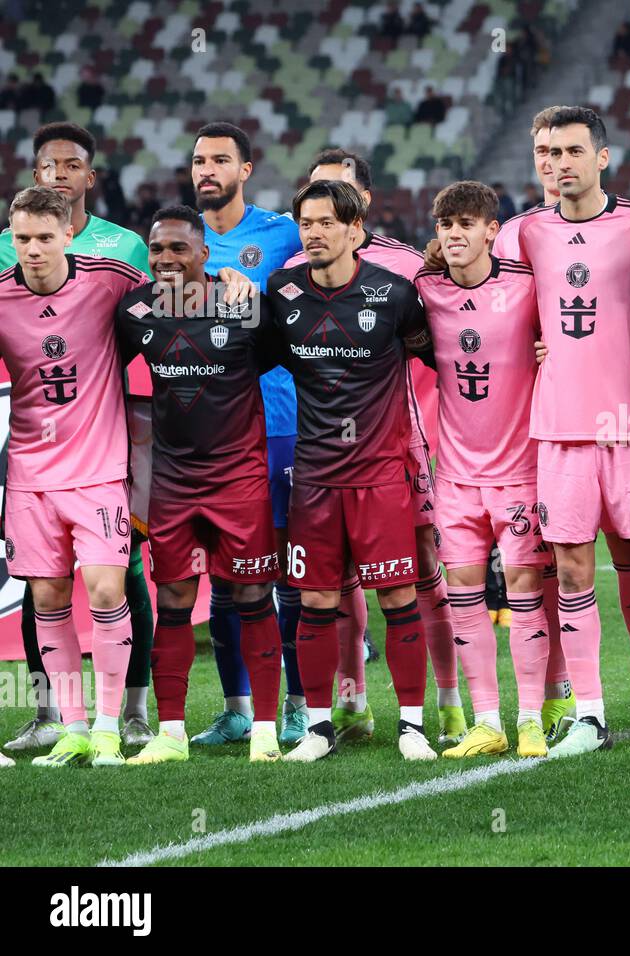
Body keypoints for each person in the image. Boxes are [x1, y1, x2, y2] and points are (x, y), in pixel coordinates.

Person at [502, 107, 630, 758]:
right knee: (574, 568)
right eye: (547, 152)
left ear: (603, 158)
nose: (558, 163)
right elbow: (497, 311)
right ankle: (589, 715)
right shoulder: (520, 234)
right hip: (558, 431)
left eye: (572, 151)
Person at [286, 148, 457, 744]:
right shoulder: (282, 297)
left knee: (398, 594)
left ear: (356, 229)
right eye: (306, 223)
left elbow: (445, 356)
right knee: (316, 599)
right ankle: (317, 726)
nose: (314, 233)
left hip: (382, 471)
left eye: (327, 223)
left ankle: (413, 724)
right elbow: (240, 363)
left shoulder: (393, 292)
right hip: (313, 479)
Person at [1, 123, 156, 755]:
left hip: (99, 470)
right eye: (22, 240)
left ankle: (110, 724)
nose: (32, 250)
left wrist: (225, 293)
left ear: (70, 233)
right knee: (47, 594)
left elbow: (172, 305)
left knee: (109, 589)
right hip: (31, 476)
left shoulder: (111, 277)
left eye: (44, 238)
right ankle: (68, 727)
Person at [115, 206, 281, 764]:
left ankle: (262, 728)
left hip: (239, 478)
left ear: (204, 254)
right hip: (173, 481)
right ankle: (170, 734)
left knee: (254, 598)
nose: (165, 260)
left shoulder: (244, 305)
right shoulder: (136, 309)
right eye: (157, 249)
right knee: (175, 600)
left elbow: (290, 358)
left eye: (178, 249)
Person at [415, 180, 551, 758]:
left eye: (466, 225)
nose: (455, 235)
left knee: (523, 590)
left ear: (493, 231)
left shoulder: (527, 286)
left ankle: (530, 721)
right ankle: (487, 721)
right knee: (463, 593)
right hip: (454, 478)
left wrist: (549, 350)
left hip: (520, 470)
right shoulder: (424, 288)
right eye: (447, 226)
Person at [189, 121, 305, 746]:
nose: (206, 170)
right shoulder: (178, 238)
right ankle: (236, 708)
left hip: (279, 422)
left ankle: (293, 701)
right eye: (198, 160)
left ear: (246, 169)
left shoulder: (284, 233)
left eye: (219, 160)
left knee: (284, 570)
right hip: (209, 431)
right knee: (224, 576)